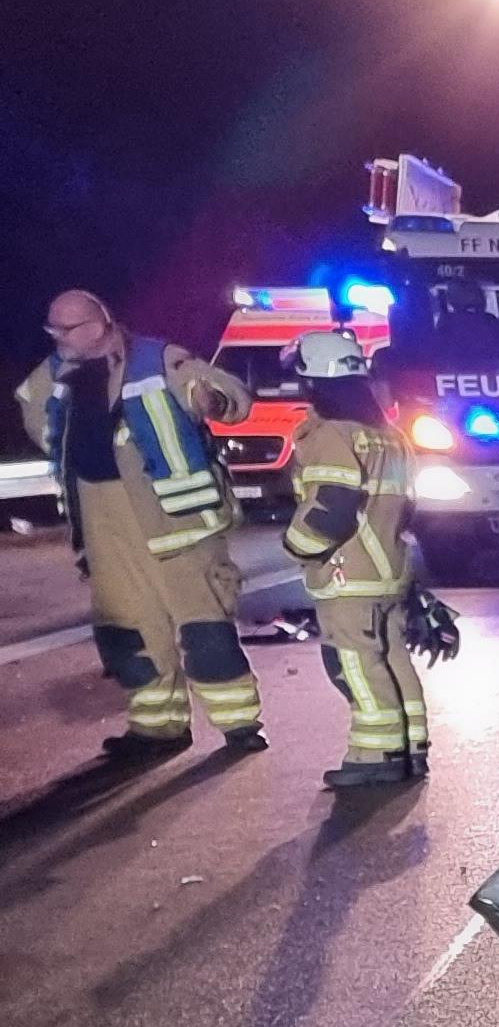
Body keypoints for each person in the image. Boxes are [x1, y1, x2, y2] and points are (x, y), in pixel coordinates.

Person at [15, 288, 262, 759]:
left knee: (204, 626)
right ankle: (157, 728)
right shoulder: (57, 371)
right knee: (129, 629)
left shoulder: (158, 358)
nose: (58, 338)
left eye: (67, 329)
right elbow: (34, 411)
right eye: (52, 329)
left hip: (176, 518)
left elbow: (227, 393)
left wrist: (211, 399)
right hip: (103, 517)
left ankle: (240, 724)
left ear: (100, 323)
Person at [275, 329, 425, 788]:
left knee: (355, 664)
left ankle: (376, 755)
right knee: (393, 657)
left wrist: (298, 545)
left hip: (349, 573)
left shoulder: (330, 435)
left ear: (312, 380)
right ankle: (412, 747)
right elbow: (407, 506)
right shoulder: (389, 436)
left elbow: (332, 504)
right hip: (391, 569)